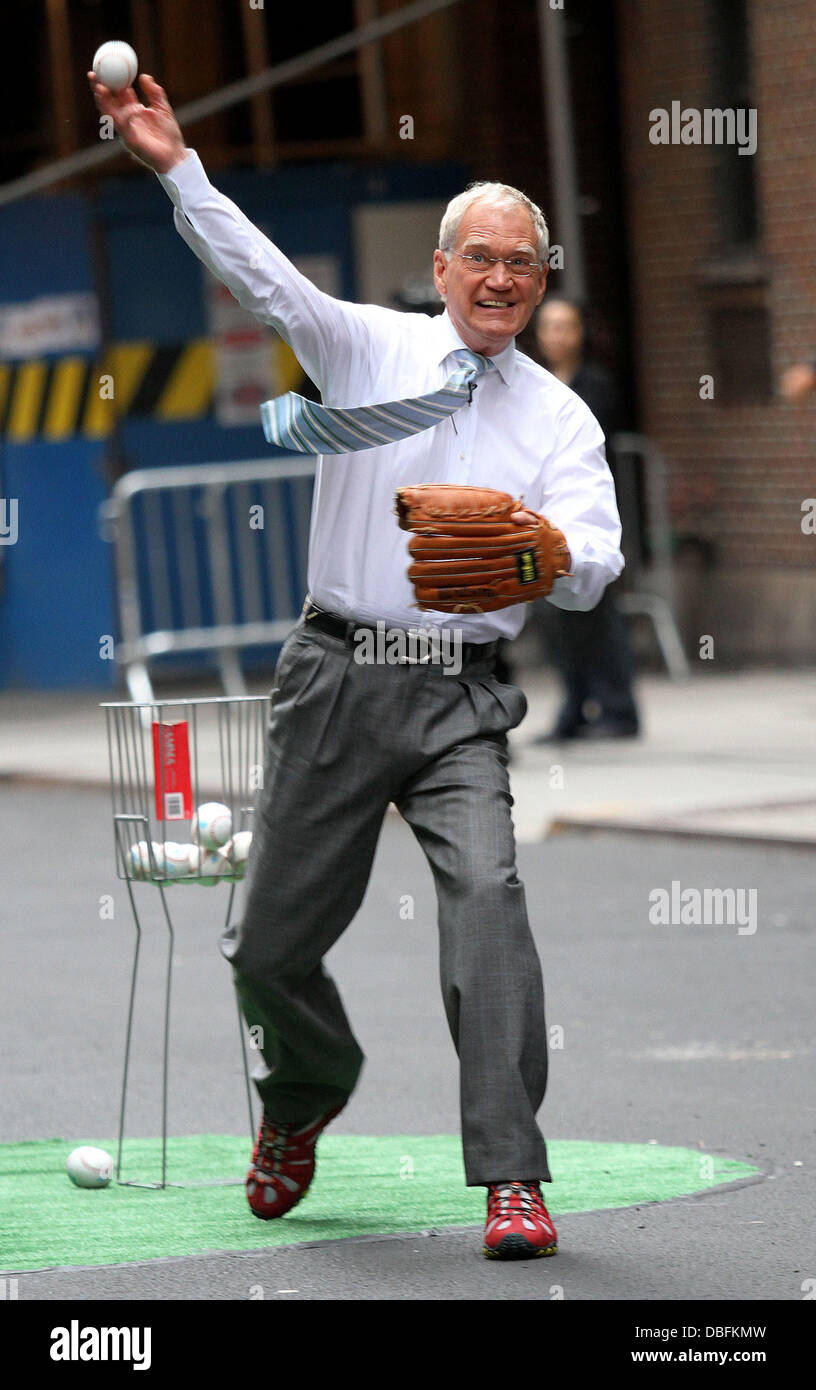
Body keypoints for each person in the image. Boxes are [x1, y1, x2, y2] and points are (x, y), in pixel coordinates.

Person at [89, 71, 624, 1261]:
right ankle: (305, 1092)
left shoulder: (560, 421)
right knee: (269, 946)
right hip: (333, 675)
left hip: (460, 697)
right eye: (478, 257)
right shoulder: (361, 344)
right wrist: (174, 163)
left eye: (522, 263)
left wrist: (544, 551)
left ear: (542, 282)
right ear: (440, 271)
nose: (499, 279)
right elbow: (258, 271)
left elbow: (596, 562)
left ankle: (512, 1178)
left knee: (488, 906)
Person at [528, 297, 640, 739]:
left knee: (598, 613)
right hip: (541, 515)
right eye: (549, 326)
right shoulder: (531, 382)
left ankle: (618, 709)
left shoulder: (595, 382)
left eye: (566, 326)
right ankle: (573, 707)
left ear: (580, 333)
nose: (557, 335)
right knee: (552, 615)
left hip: (588, 514)